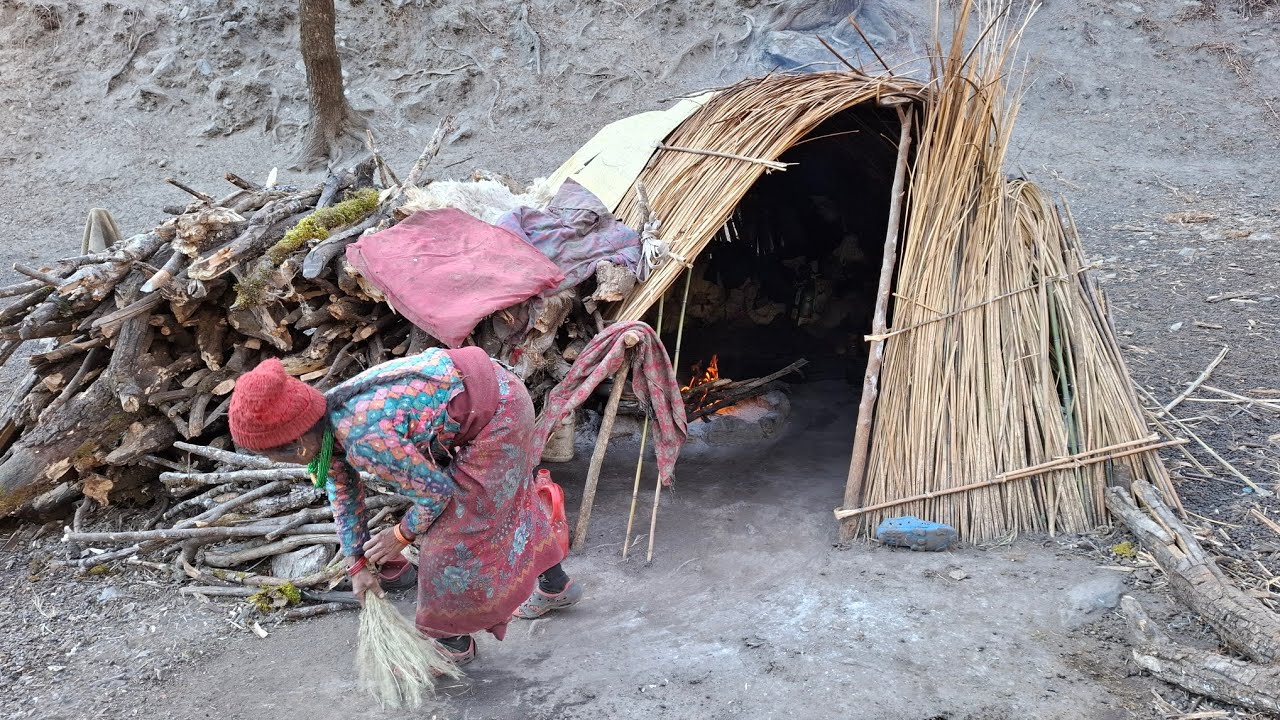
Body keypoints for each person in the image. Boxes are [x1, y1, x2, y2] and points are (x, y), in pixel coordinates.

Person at [227, 347, 583, 665]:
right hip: (484, 395)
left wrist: (401, 534)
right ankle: (557, 586)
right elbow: (344, 492)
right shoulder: (325, 423)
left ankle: (451, 642)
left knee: (450, 535)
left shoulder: (363, 436)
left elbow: (436, 495)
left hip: (500, 411)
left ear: (298, 446)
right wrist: (357, 564)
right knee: (505, 503)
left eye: (271, 454)